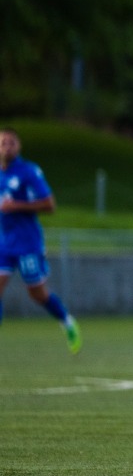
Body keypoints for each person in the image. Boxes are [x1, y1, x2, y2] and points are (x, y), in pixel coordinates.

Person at [0, 128, 80, 353]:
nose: (6, 146)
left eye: (11, 142)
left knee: (37, 294)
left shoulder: (28, 172)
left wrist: (17, 206)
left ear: (19, 146)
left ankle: (67, 321)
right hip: (3, 243)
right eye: (2, 142)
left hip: (28, 243)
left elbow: (49, 204)